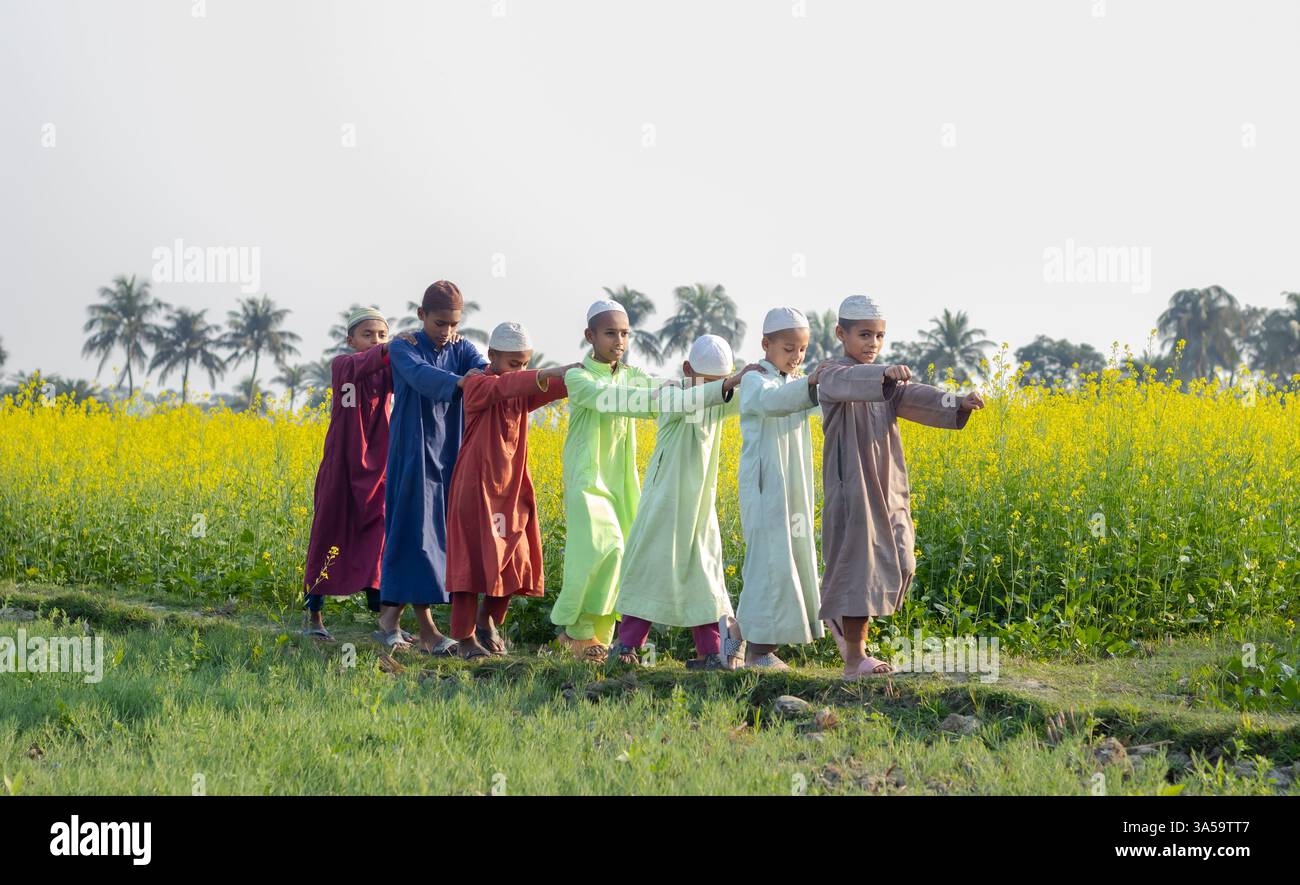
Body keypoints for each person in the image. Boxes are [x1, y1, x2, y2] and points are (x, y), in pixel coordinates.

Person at [817, 294, 984, 679]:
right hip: (853, 489)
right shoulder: (833, 374)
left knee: (902, 558)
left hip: (888, 487)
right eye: (864, 335)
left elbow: (916, 395)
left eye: (878, 336)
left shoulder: (886, 384)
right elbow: (852, 382)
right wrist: (885, 375)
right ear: (841, 334)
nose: (872, 344)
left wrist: (956, 400)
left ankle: (844, 628)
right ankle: (854, 659)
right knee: (861, 567)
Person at [609, 335, 760, 670]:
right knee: (650, 570)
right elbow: (700, 398)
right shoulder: (672, 394)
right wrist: (730, 382)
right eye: (710, 382)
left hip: (699, 510)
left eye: (721, 381)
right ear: (687, 369)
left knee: (705, 578)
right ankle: (626, 647)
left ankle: (713, 652)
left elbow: (744, 396)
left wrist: (765, 373)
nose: (717, 388)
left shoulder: (718, 396)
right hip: (663, 507)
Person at [444, 321, 577, 659]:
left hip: (511, 488)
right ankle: (464, 639)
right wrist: (549, 371)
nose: (521, 369)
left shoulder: (519, 388)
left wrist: (584, 372)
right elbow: (509, 386)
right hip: (476, 489)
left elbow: (551, 388)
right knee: (471, 563)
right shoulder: (477, 384)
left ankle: (488, 622)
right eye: (513, 363)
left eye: (526, 363)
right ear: (492, 356)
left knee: (513, 558)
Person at [377, 281, 488, 655]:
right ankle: (427, 630)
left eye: (454, 324)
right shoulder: (403, 346)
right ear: (422, 315)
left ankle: (388, 619)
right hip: (413, 452)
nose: (448, 332)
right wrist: (461, 381)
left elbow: (486, 373)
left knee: (437, 537)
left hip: (449, 455)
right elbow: (423, 377)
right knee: (416, 536)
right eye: (440, 323)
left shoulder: (462, 347)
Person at [301, 307, 394, 641]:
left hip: (377, 467)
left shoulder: (388, 370)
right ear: (350, 339)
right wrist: (393, 348)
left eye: (382, 334)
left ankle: (386, 622)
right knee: (327, 534)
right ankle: (314, 617)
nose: (376, 340)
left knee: (378, 535)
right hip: (341, 466)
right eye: (367, 334)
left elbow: (418, 374)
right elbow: (365, 363)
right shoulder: (343, 364)